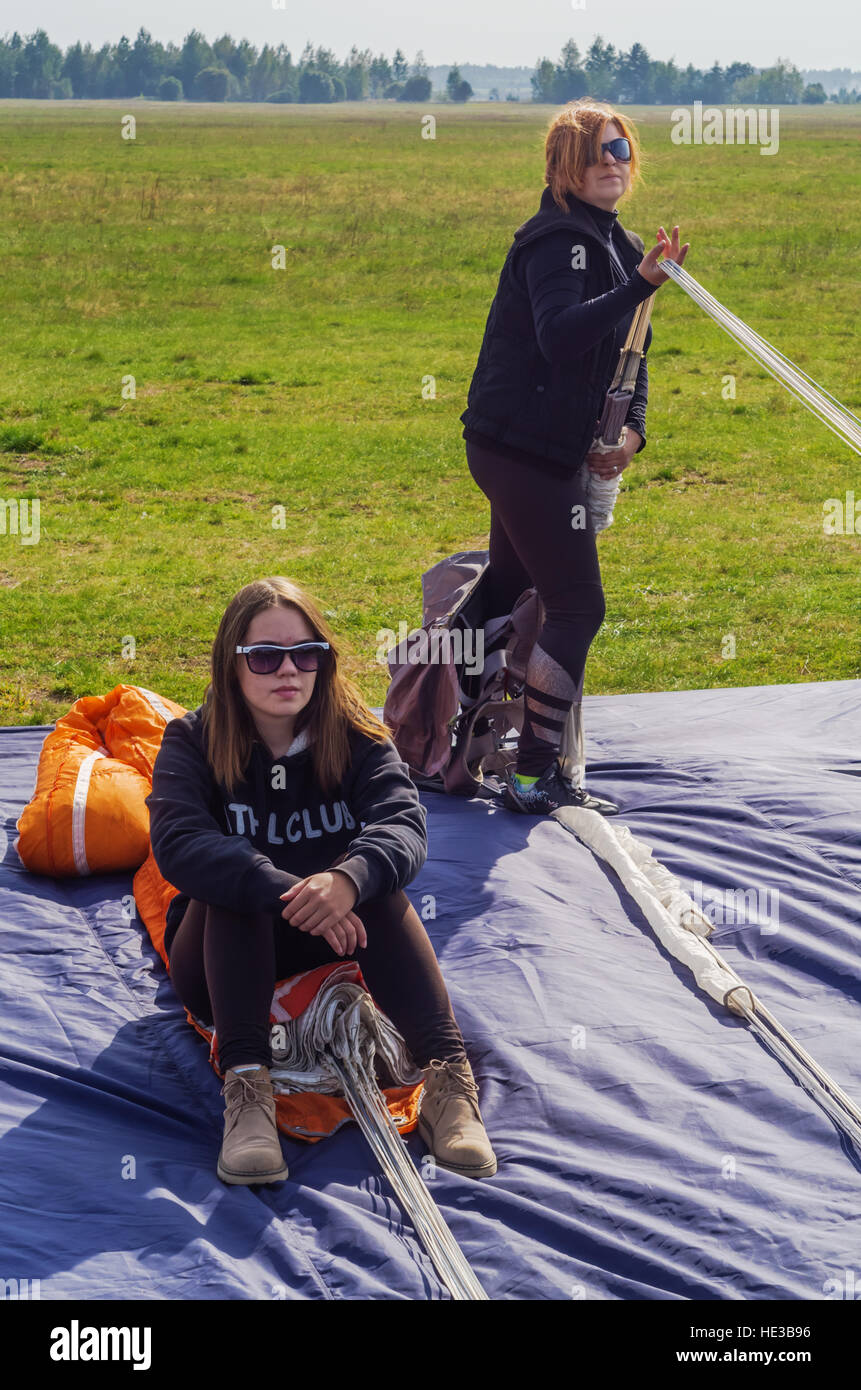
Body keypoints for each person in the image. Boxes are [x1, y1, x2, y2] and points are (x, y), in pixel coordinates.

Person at [146, 576, 497, 1185]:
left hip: (333, 932)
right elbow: (179, 844)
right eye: (265, 656)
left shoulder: (358, 737)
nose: (289, 670)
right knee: (234, 879)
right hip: (219, 955)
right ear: (231, 665)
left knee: (382, 885)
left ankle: (447, 1080)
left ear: (324, 661)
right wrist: (285, 887)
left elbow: (403, 826)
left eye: (305, 654)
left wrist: (347, 880)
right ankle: (248, 1091)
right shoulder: (193, 740)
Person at [460, 99, 689, 816]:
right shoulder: (559, 241)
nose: (612, 163)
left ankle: (433, 725)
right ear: (564, 166)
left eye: (620, 149)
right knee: (576, 605)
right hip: (520, 449)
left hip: (538, 447)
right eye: (595, 152)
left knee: (505, 591)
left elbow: (631, 350)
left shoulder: (612, 241)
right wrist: (639, 284)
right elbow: (561, 336)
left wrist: (633, 432)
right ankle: (531, 776)